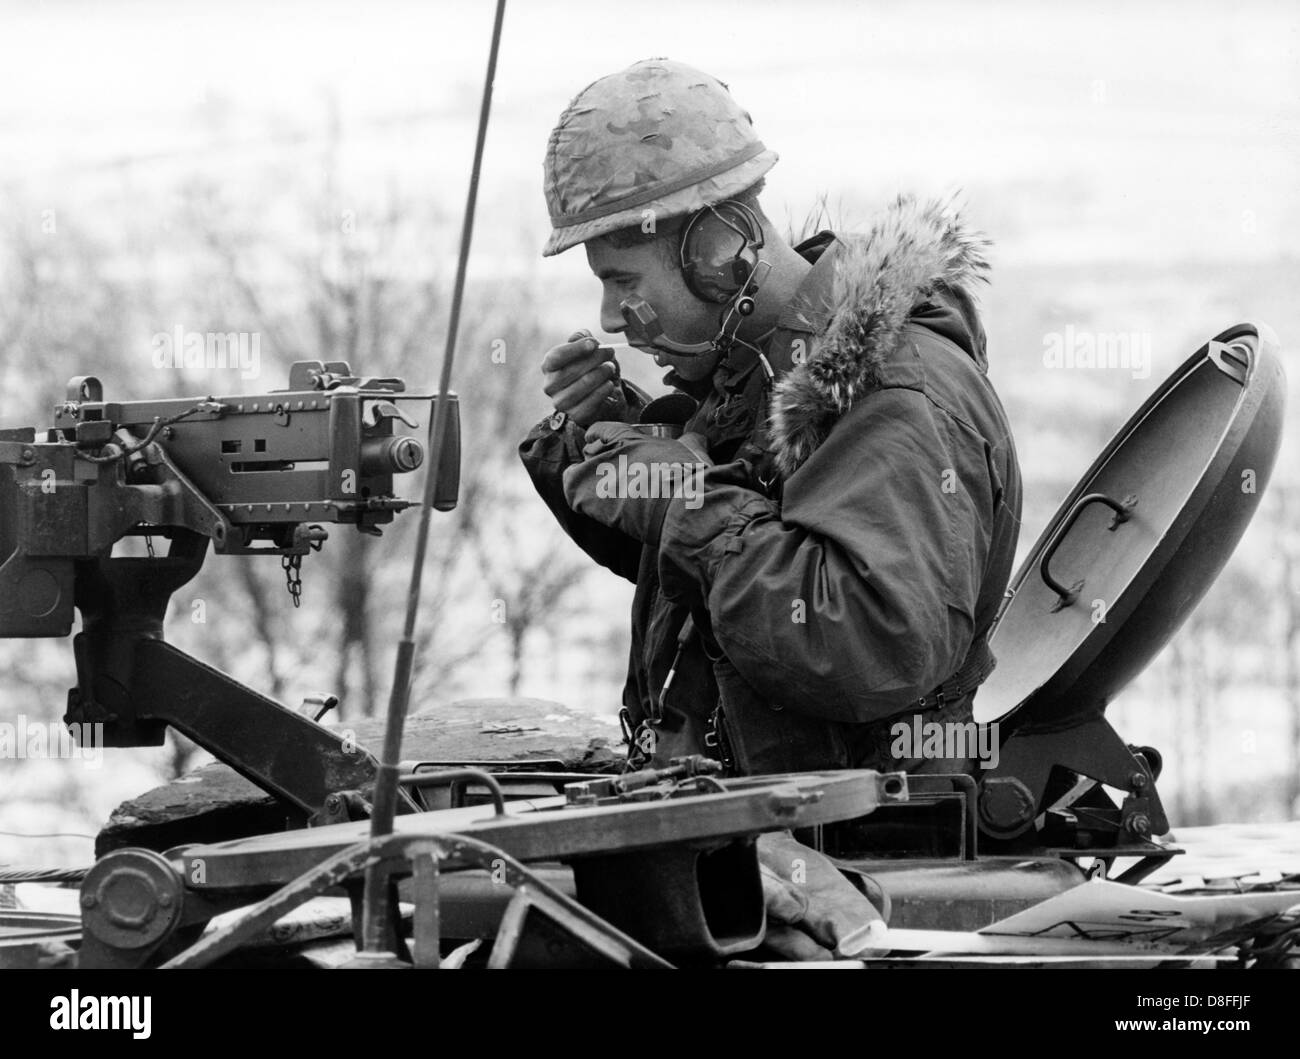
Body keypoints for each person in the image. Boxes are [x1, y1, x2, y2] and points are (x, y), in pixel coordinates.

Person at [520, 58, 1022, 786]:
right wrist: (616, 436)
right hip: (753, 828)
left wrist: (681, 499)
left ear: (715, 249)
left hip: (858, 849)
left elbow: (870, 642)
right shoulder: (766, 375)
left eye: (622, 280)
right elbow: (725, 577)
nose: (607, 317)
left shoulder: (898, 392)